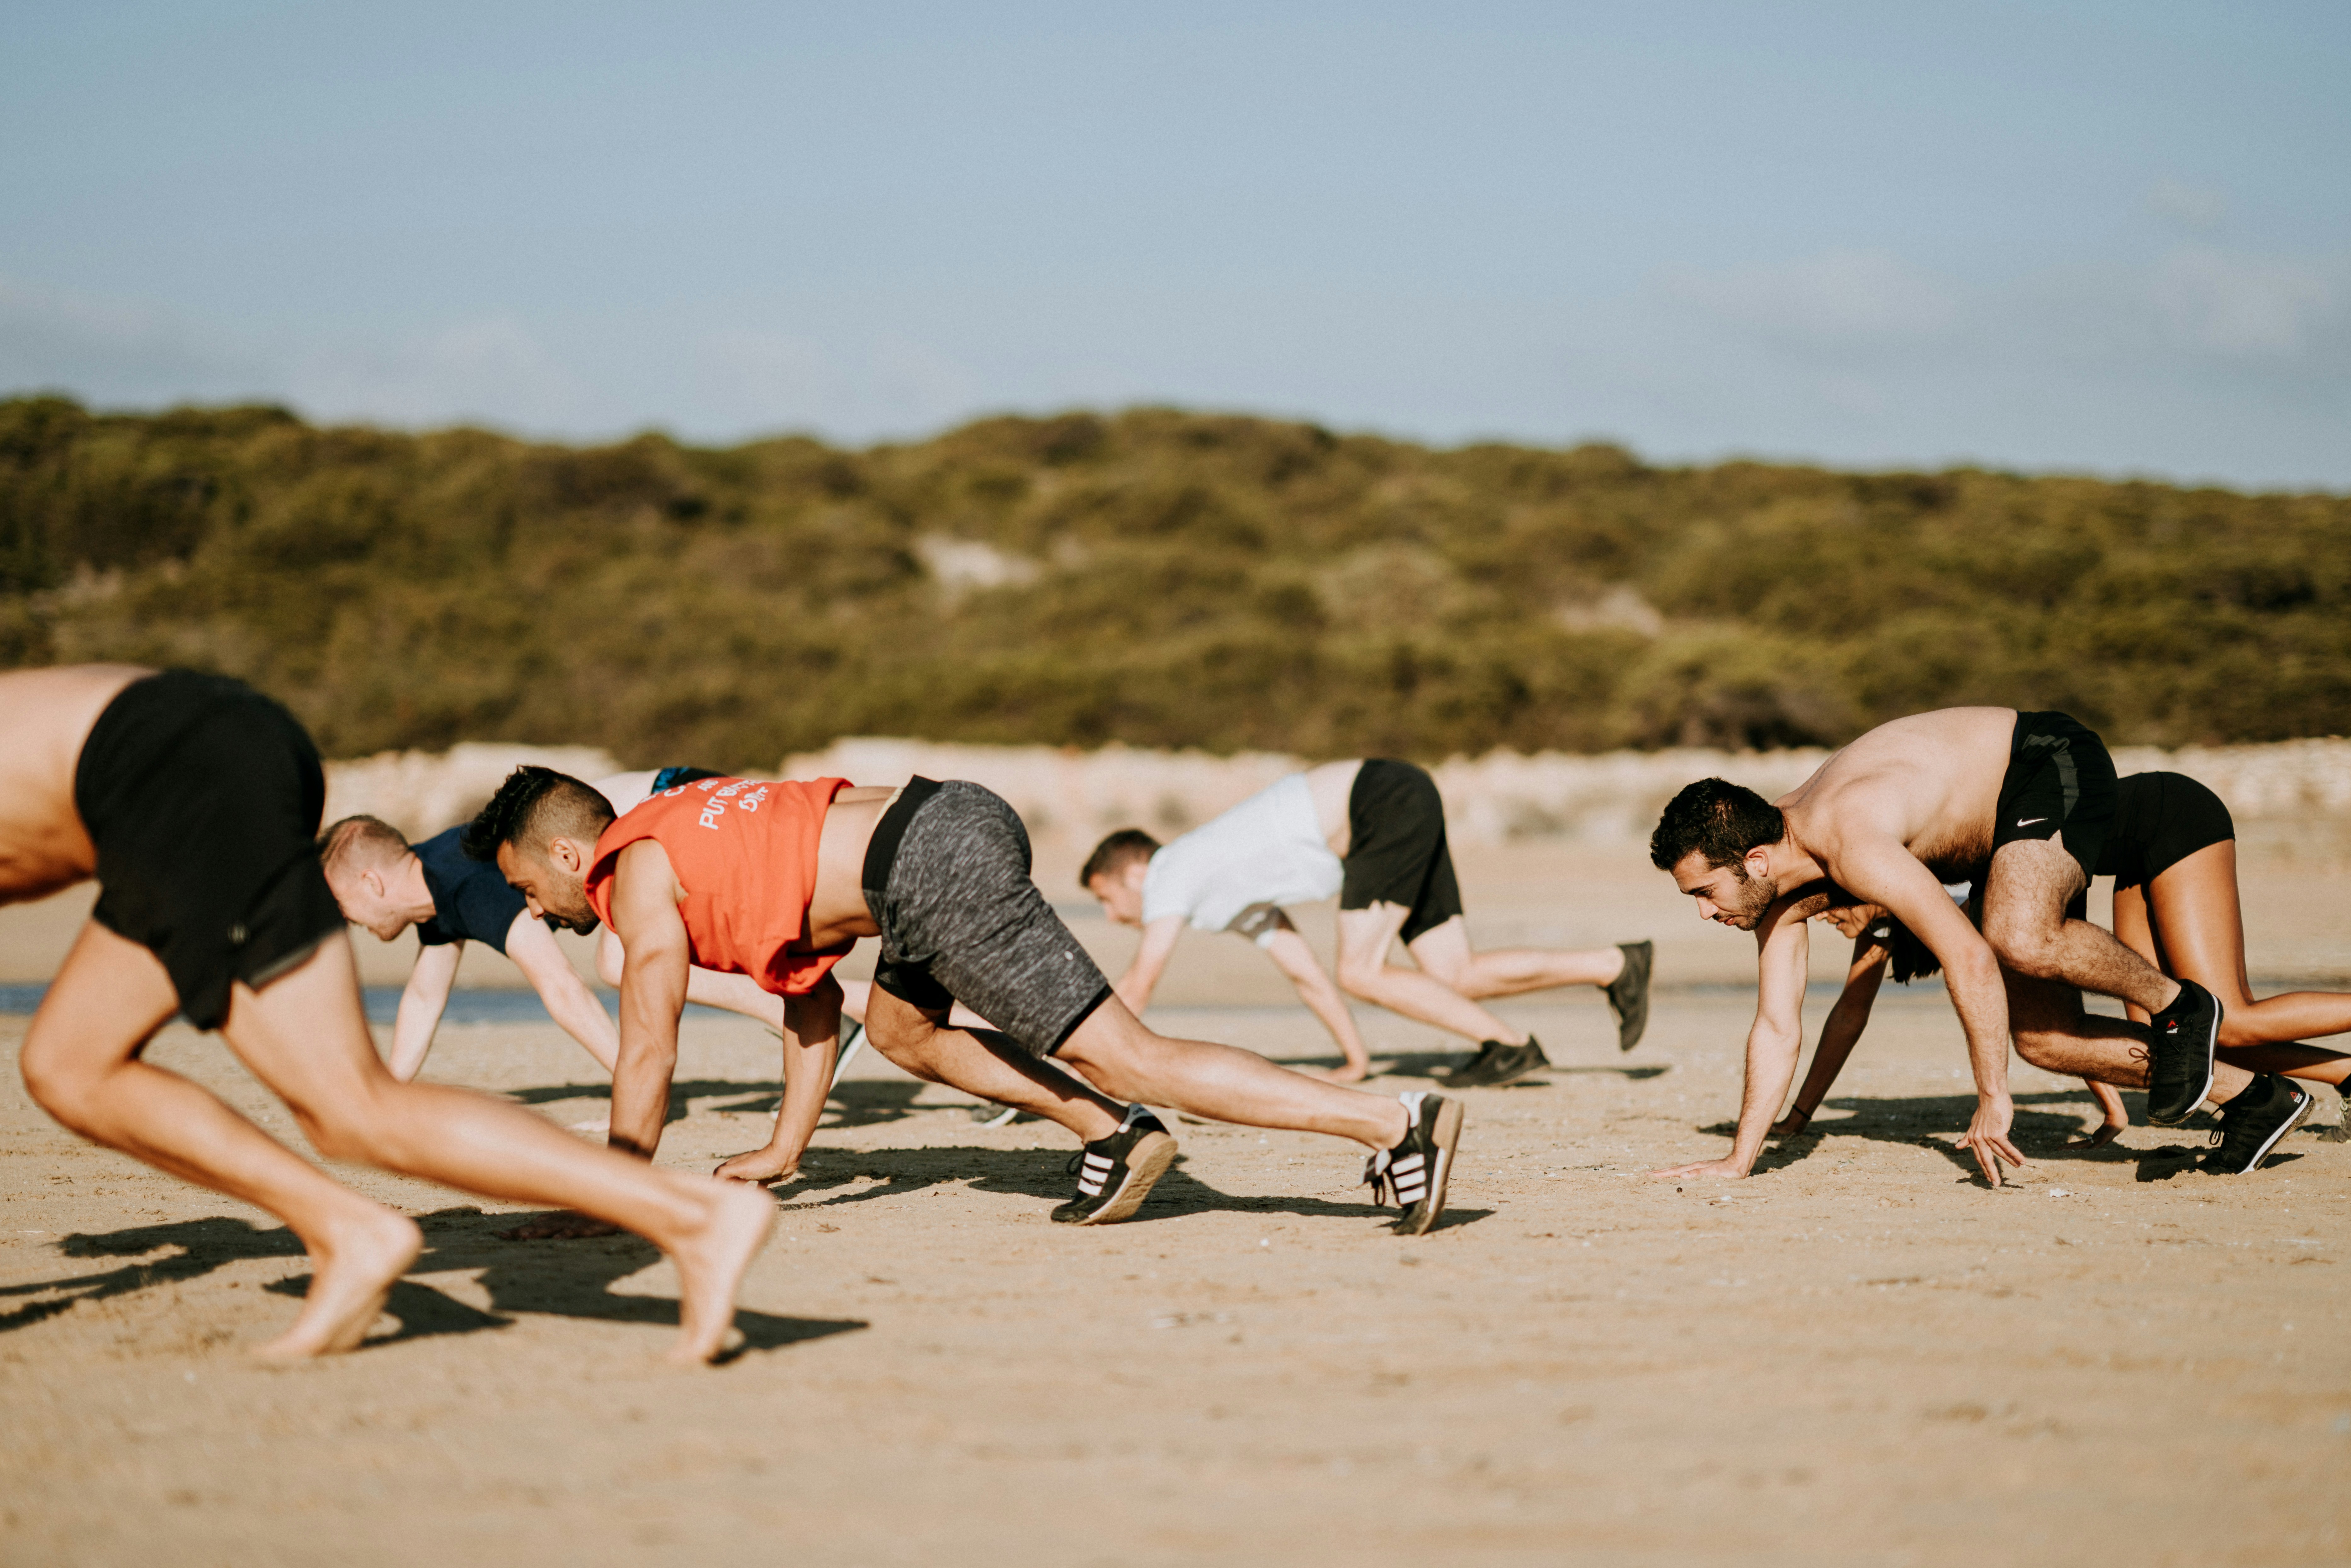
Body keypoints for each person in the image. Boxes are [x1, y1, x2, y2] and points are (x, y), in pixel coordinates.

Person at [3, 666, 771, 1362]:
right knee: (80, 1065)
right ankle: (355, 1229)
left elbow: (557, 985)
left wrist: (624, 1069)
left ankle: (682, 1210)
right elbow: (427, 991)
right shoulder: (436, 890)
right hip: (204, 741)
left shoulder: (458, 880)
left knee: (326, 1105)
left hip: (173, 767)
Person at [466, 767, 1466, 1235]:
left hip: (929, 861)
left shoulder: (634, 871)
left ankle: (1390, 1122)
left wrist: (612, 1194)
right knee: (904, 1029)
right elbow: (817, 1007)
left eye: (523, 887)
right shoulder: (687, 818)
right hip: (935, 820)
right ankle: (1113, 1136)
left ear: (566, 851)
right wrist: (784, 1151)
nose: (536, 909)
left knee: (1125, 1051)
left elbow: (648, 1049)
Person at [1646, 709, 2314, 1188]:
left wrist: (1992, 1095)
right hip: (1999, 832)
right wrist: (1742, 1156)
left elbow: (1967, 955)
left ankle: (2180, 1004)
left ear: (1755, 860)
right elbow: (1775, 1024)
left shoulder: (1850, 838)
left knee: (2016, 935)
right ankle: (2258, 1099)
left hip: (2042, 758)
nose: (1706, 911)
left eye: (1703, 891)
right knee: (2047, 1041)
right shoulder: (1778, 894)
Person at [1771, 773, 2351, 1149]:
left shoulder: (1949, 895)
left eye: (1828, 906)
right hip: (2130, 855)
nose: (1824, 917)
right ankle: (2342, 1074)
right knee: (2170, 1030)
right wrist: (1798, 1117)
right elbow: (1848, 1017)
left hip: (2169, 816)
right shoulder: (1889, 922)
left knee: (2232, 1015)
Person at [1082, 760, 1653, 1088]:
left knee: (1361, 969)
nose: (1111, 916)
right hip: (1398, 796)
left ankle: (1508, 1044)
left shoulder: (1170, 870)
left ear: (1133, 871)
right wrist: (1356, 1061)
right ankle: (1613, 965)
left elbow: (1141, 981)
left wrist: (1079, 1050)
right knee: (1451, 972)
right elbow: (1305, 975)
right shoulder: (1225, 887)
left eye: (1107, 898)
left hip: (1378, 802)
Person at [319, 815, 621, 1083]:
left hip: (630, 833)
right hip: (615, 852)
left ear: (372, 882)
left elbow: (563, 987)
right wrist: (389, 1093)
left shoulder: (469, 889)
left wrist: (637, 1091)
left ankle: (644, 1083)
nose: (342, 918)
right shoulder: (429, 880)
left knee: (613, 965)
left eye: (337, 904)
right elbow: (424, 998)